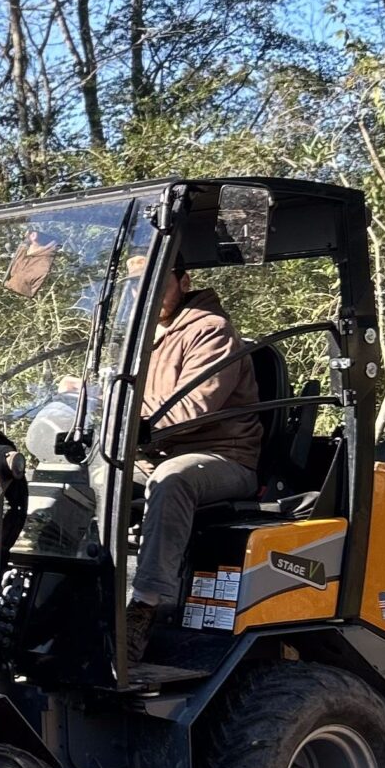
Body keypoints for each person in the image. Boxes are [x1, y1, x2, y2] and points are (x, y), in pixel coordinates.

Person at [125, 260, 260, 662]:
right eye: (137, 285)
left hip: (222, 456)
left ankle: (144, 609)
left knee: (172, 481)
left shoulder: (211, 330)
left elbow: (192, 409)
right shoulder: (139, 335)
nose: (145, 294)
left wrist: (123, 412)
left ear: (183, 281)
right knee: (83, 476)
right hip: (154, 450)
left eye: (157, 282)